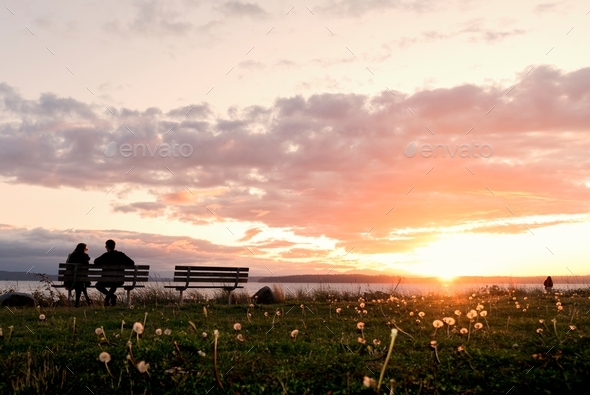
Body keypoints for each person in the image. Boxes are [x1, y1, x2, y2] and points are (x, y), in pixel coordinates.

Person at [94, 239, 135, 306]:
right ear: (114, 246)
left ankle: (110, 297)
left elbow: (95, 262)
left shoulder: (105, 256)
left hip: (106, 280)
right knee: (114, 284)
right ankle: (110, 298)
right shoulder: (121, 255)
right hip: (119, 281)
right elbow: (132, 263)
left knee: (98, 285)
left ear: (107, 247)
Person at [65, 243, 93, 307]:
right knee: (81, 283)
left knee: (79, 283)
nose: (86, 250)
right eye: (86, 249)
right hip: (83, 281)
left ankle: (78, 302)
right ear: (83, 249)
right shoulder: (85, 256)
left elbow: (68, 268)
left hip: (71, 280)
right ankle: (86, 299)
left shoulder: (72, 256)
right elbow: (87, 266)